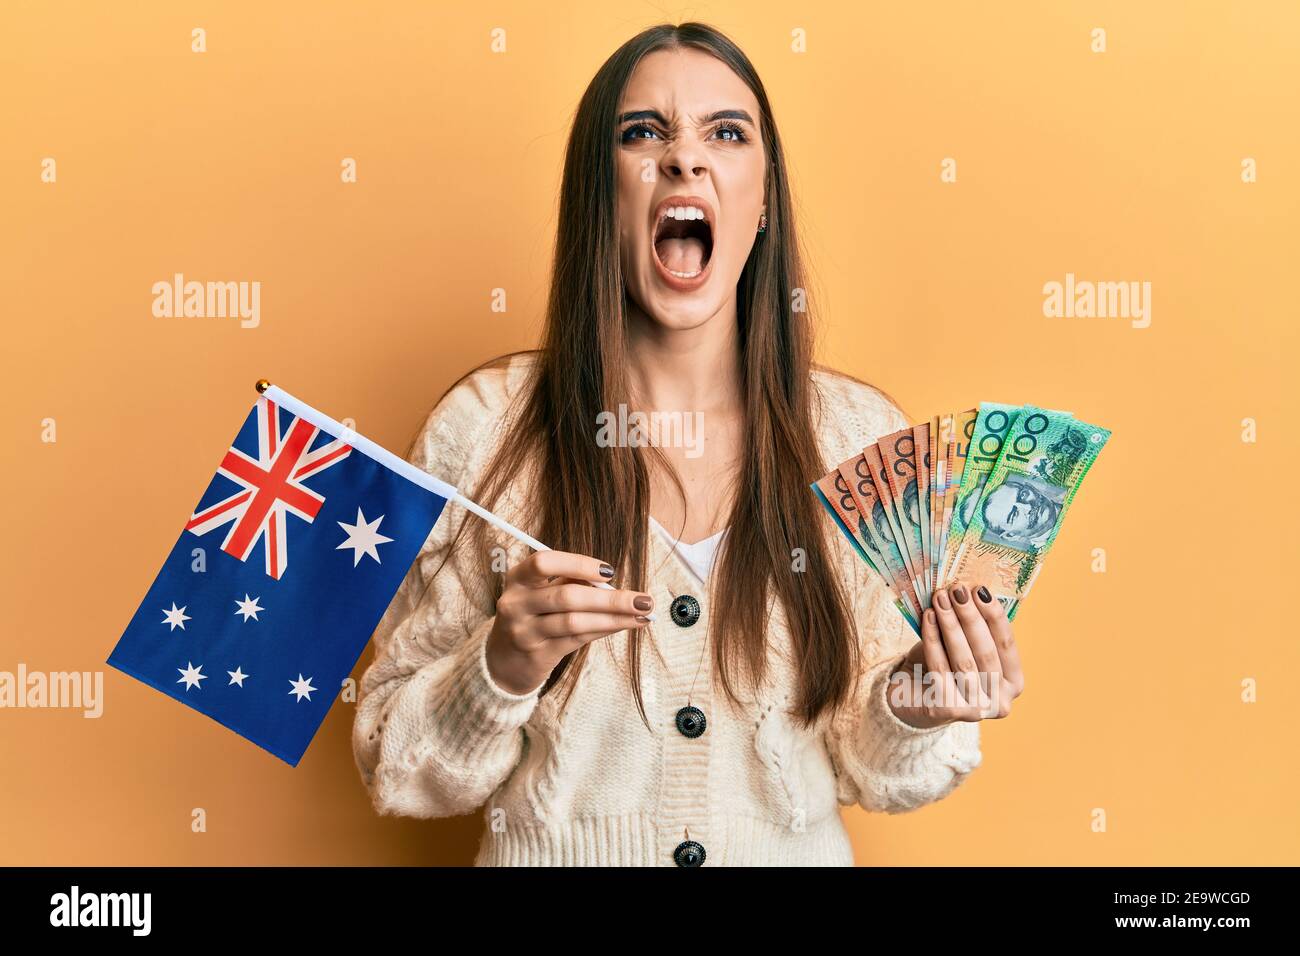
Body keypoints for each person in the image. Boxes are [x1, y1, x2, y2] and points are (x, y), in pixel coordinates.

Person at [351, 21, 1024, 867]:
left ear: (764, 197)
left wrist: (920, 702)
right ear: (602, 193)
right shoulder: (486, 427)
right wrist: (501, 666)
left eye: (726, 133)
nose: (684, 159)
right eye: (643, 134)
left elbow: (874, 771)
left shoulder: (859, 442)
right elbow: (393, 764)